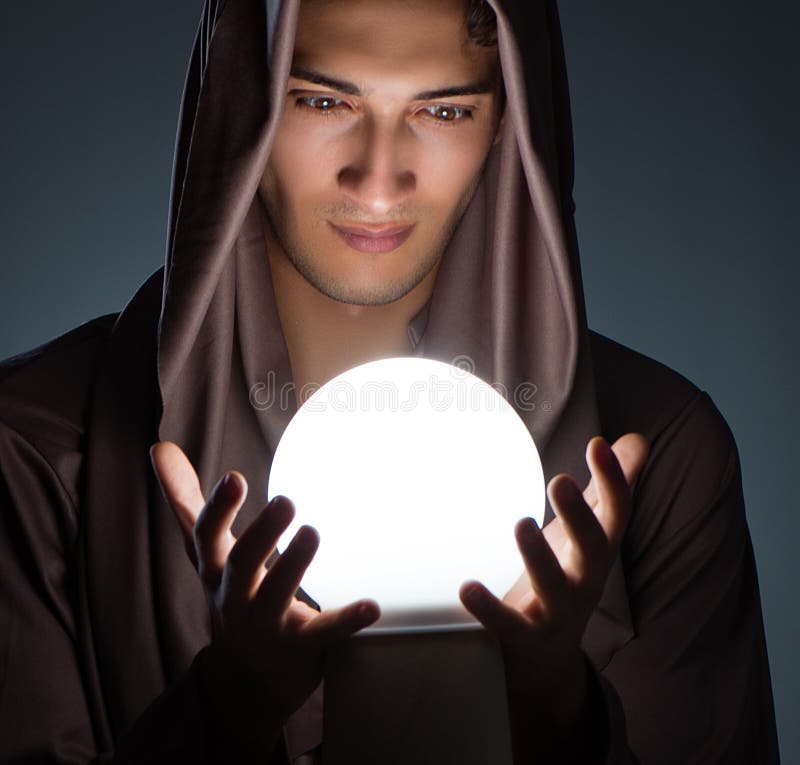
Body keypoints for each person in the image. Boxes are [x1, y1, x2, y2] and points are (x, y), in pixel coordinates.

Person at [0, 0, 779, 763]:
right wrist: (228, 703)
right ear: (242, 108)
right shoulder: (36, 446)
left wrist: (552, 702)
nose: (378, 182)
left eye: (442, 113)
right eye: (322, 99)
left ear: (508, 118)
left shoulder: (661, 453)